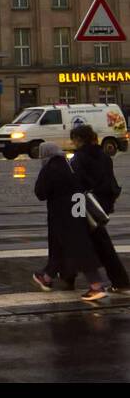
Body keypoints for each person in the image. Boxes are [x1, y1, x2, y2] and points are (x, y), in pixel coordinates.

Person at [33, 140, 108, 301]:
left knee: (78, 247)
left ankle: (96, 286)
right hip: (78, 207)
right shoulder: (71, 164)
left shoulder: (49, 168)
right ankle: (46, 277)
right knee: (61, 246)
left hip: (61, 212)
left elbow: (40, 193)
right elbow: (88, 182)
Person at [70, 124, 128, 291]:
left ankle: (104, 283)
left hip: (85, 205)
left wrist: (75, 209)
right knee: (99, 243)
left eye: (74, 139)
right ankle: (118, 281)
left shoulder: (79, 158)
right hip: (102, 205)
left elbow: (77, 184)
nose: (73, 142)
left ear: (79, 139)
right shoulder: (104, 156)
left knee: (94, 245)